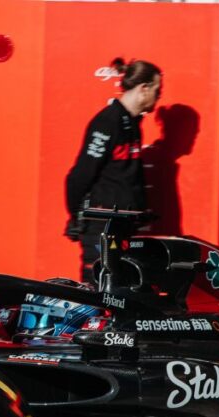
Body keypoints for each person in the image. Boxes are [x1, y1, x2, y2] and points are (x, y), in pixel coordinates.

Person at [64, 58, 163, 283]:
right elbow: (79, 176)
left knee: (121, 290)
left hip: (121, 227)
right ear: (143, 88)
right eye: (157, 91)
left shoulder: (132, 124)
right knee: (99, 290)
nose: (158, 97)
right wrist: (75, 216)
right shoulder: (107, 122)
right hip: (101, 227)